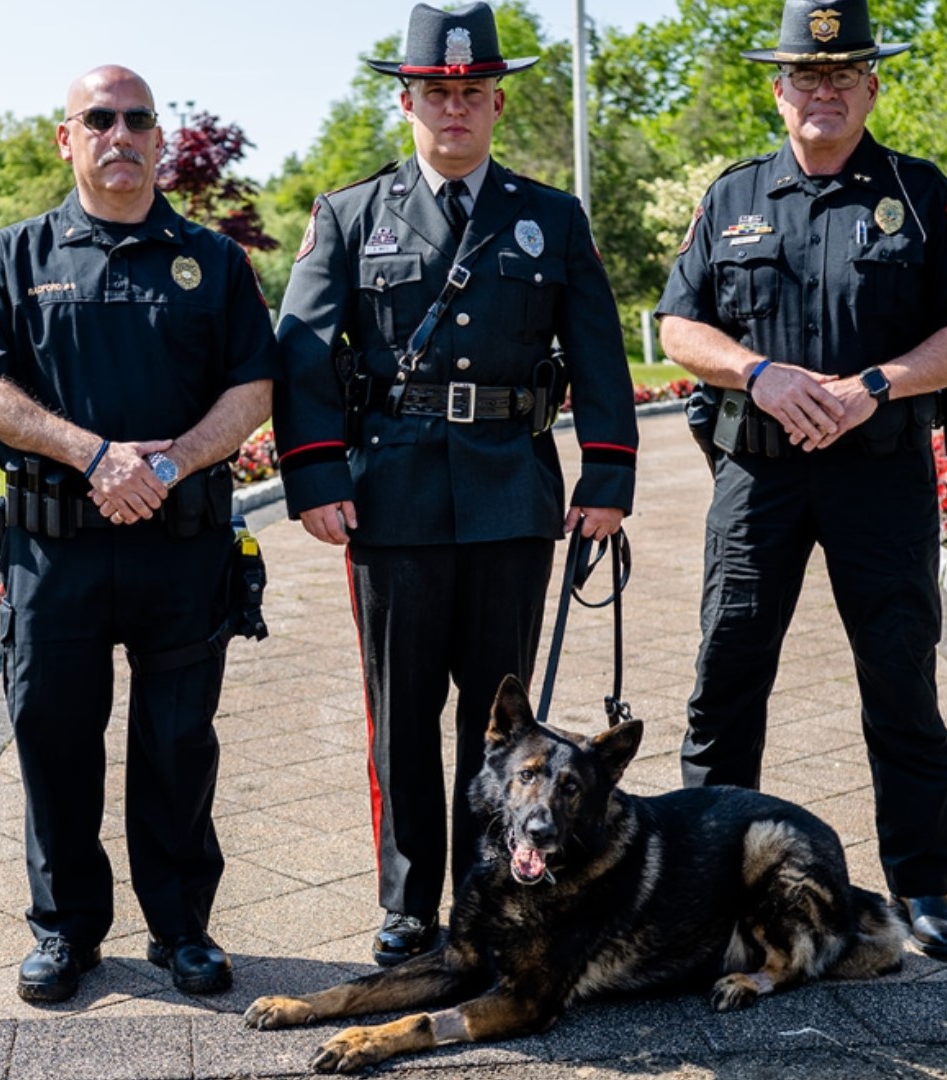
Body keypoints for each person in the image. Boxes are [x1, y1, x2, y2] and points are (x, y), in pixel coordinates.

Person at [272, 2, 639, 967]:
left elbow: (597, 352)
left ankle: (493, 885)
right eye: (437, 92)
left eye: (472, 92)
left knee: (501, 717)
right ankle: (405, 902)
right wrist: (313, 474)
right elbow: (303, 351)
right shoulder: (349, 215)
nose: (455, 109)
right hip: (391, 495)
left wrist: (608, 470)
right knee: (400, 716)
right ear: (406, 101)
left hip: (513, 492)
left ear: (498, 101)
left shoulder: (550, 217)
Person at [655, 0, 947, 961]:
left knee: (900, 679)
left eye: (842, 74)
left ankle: (924, 889)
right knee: (726, 679)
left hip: (879, 476)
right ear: (778, 90)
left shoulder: (920, 194)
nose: (823, 90)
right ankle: (702, 888)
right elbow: (676, 328)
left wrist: (876, 386)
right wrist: (759, 374)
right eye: (805, 77)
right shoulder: (731, 199)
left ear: (871, 87)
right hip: (757, 478)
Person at [0, 65, 275, 1001]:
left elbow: (253, 389)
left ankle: (182, 930)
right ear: (67, 137)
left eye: (137, 121)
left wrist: (162, 466)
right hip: (54, 551)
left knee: (176, 745)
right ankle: (65, 932)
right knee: (55, 741)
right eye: (99, 120)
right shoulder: (14, 255)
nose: (119, 136)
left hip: (181, 546)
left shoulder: (215, 262)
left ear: (159, 140)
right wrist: (97, 457)